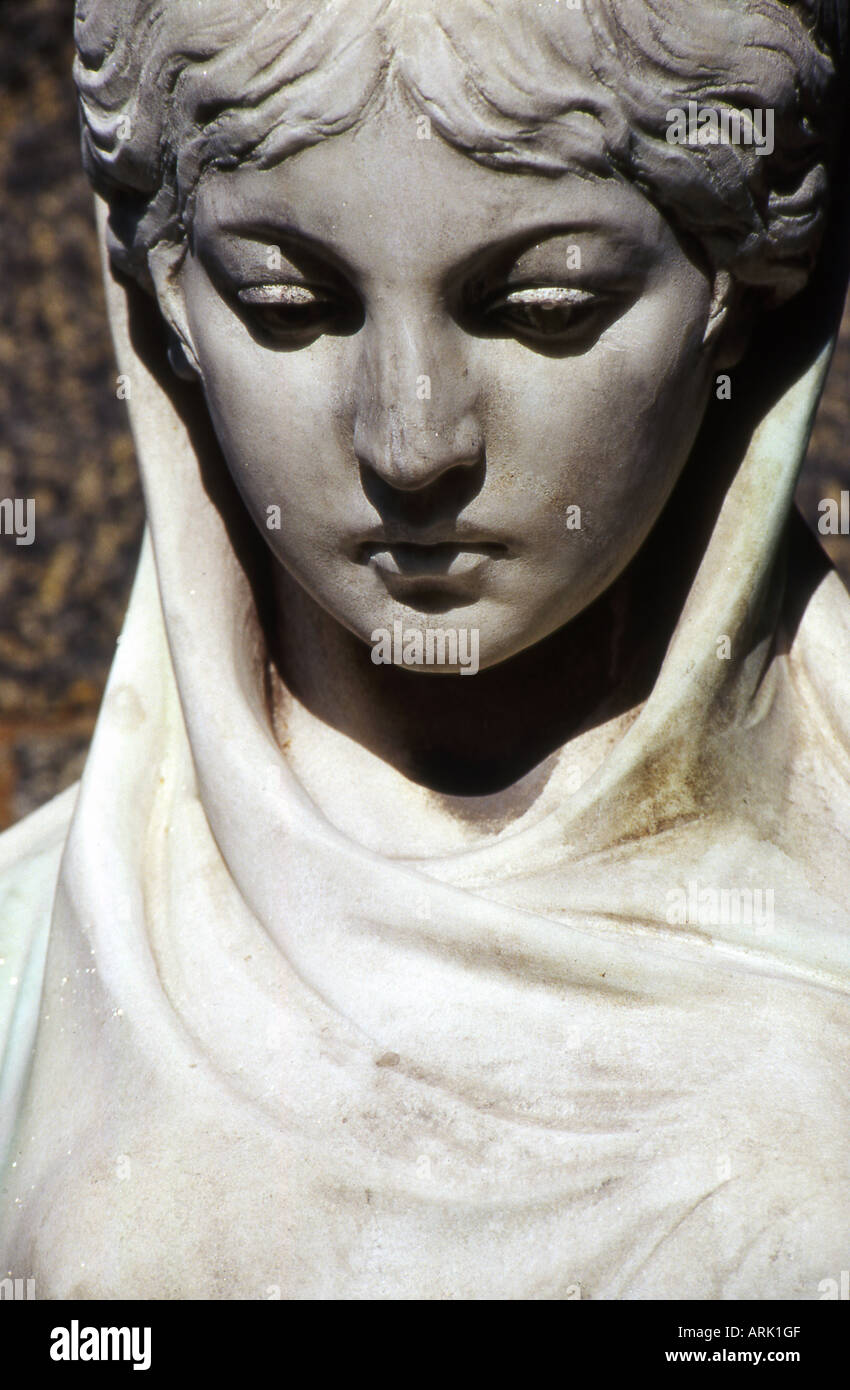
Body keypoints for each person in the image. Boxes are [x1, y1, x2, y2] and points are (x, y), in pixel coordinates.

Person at [1, 0, 849, 1298]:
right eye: (289, 302)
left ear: (739, 290)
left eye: (544, 306)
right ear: (167, 293)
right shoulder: (26, 947)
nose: (409, 442)